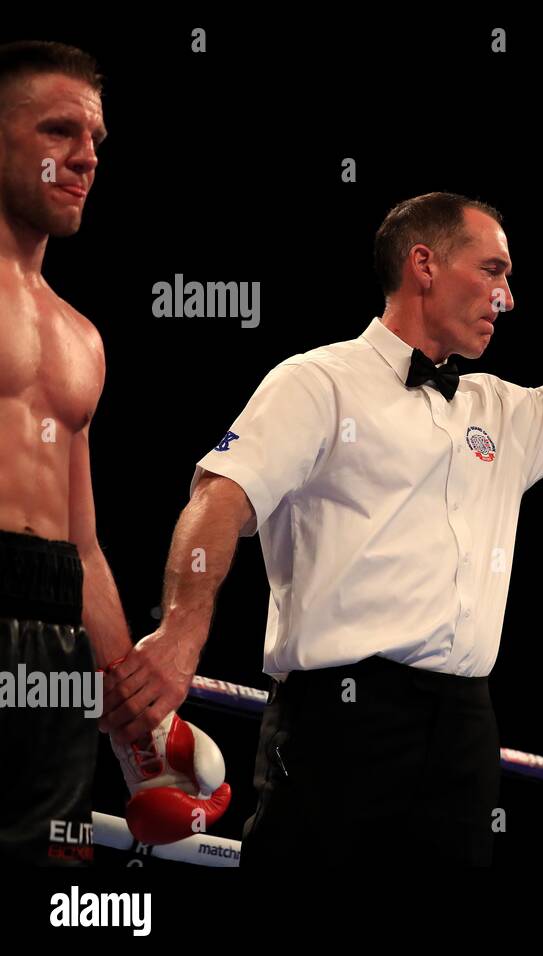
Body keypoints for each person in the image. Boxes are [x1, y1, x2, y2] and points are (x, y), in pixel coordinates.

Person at [98, 183, 543, 866]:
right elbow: (221, 497)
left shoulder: (501, 410)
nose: (506, 296)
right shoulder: (318, 382)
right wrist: (183, 631)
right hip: (339, 722)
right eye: (491, 271)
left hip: (464, 729)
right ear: (424, 264)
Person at [0, 40, 228, 864]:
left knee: (59, 872)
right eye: (59, 130)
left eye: (95, 139)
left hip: (54, 623)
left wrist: (142, 725)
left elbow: (83, 545)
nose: (87, 157)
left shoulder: (81, 338)